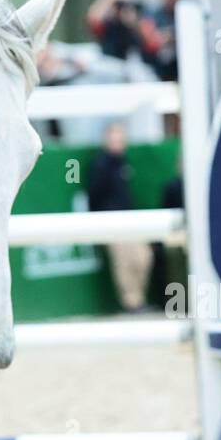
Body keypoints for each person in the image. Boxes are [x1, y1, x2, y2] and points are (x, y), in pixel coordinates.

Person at [87, 121, 155, 313]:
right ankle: (131, 303)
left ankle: (139, 299)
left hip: (130, 220)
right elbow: (93, 195)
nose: (116, 139)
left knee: (143, 257)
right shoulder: (99, 163)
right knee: (123, 261)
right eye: (113, 135)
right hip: (110, 222)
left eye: (120, 135)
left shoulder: (125, 162)